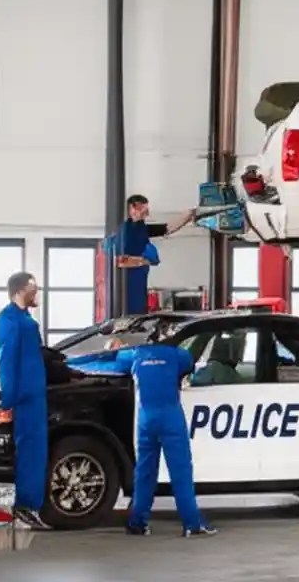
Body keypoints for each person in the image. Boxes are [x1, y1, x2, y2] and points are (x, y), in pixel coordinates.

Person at [123, 342, 216, 537]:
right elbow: (190, 362)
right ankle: (192, 523)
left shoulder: (135, 354)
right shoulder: (176, 354)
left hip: (146, 419)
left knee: (145, 472)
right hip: (170, 417)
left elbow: (112, 360)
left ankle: (137, 522)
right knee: (180, 472)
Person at [0, 272, 49, 529]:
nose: (36, 291)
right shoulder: (8, 319)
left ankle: (31, 506)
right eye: (32, 287)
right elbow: (6, 360)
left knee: (37, 453)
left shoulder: (26, 318)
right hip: (25, 397)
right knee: (29, 453)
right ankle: (25, 507)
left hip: (36, 395)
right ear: (19, 290)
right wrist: (9, 399)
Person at [112, 194, 195, 315]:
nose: (146, 211)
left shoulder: (140, 229)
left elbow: (167, 229)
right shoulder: (125, 230)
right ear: (132, 209)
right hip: (127, 285)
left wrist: (186, 217)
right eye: (143, 208)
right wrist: (146, 260)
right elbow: (119, 261)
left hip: (139, 282)